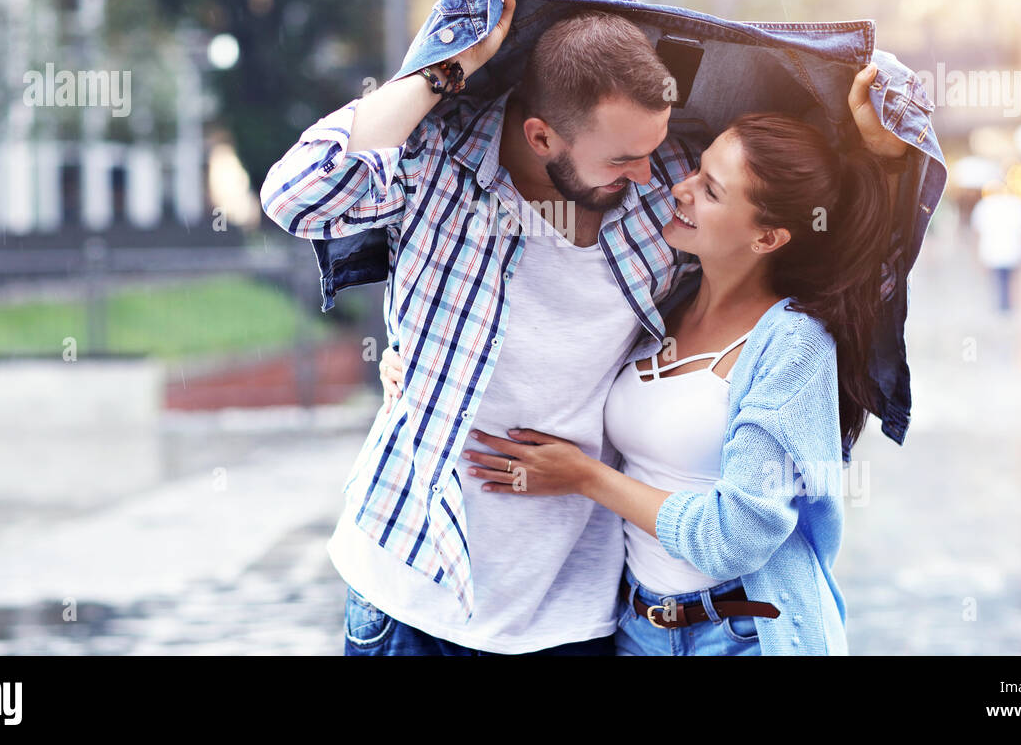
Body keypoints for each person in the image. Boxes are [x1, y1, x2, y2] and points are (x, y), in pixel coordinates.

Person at [261, 0, 911, 656]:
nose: (650, 176)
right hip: (412, 587)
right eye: (623, 159)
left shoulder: (664, 190)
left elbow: (812, 227)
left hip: (573, 615)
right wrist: (445, 65)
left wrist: (887, 158)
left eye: (654, 152)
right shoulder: (434, 173)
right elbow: (297, 194)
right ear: (542, 135)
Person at [380, 111, 893, 655]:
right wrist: (415, 356)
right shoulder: (663, 302)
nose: (681, 188)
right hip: (637, 628)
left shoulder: (794, 345)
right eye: (696, 170)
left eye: (711, 192)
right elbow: (547, 343)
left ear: (767, 237)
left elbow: (735, 536)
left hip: (742, 632)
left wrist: (584, 477)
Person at [970, 186, 1021, 313]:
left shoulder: (985, 206)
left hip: (992, 251)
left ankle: (1001, 306)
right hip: (1012, 251)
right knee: (1009, 281)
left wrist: (976, 252)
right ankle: (1007, 307)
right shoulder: (1018, 205)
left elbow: (976, 232)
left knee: (997, 281)